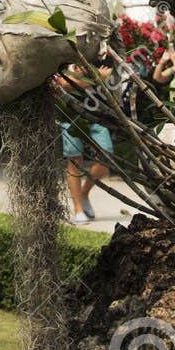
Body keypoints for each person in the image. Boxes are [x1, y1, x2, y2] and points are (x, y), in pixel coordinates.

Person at [59, 47, 117, 225]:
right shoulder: (63, 56)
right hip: (70, 116)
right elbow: (63, 83)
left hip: (95, 114)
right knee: (75, 160)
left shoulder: (99, 52)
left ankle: (83, 194)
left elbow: (111, 75)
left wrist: (81, 79)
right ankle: (77, 208)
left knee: (106, 156)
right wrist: (96, 78)